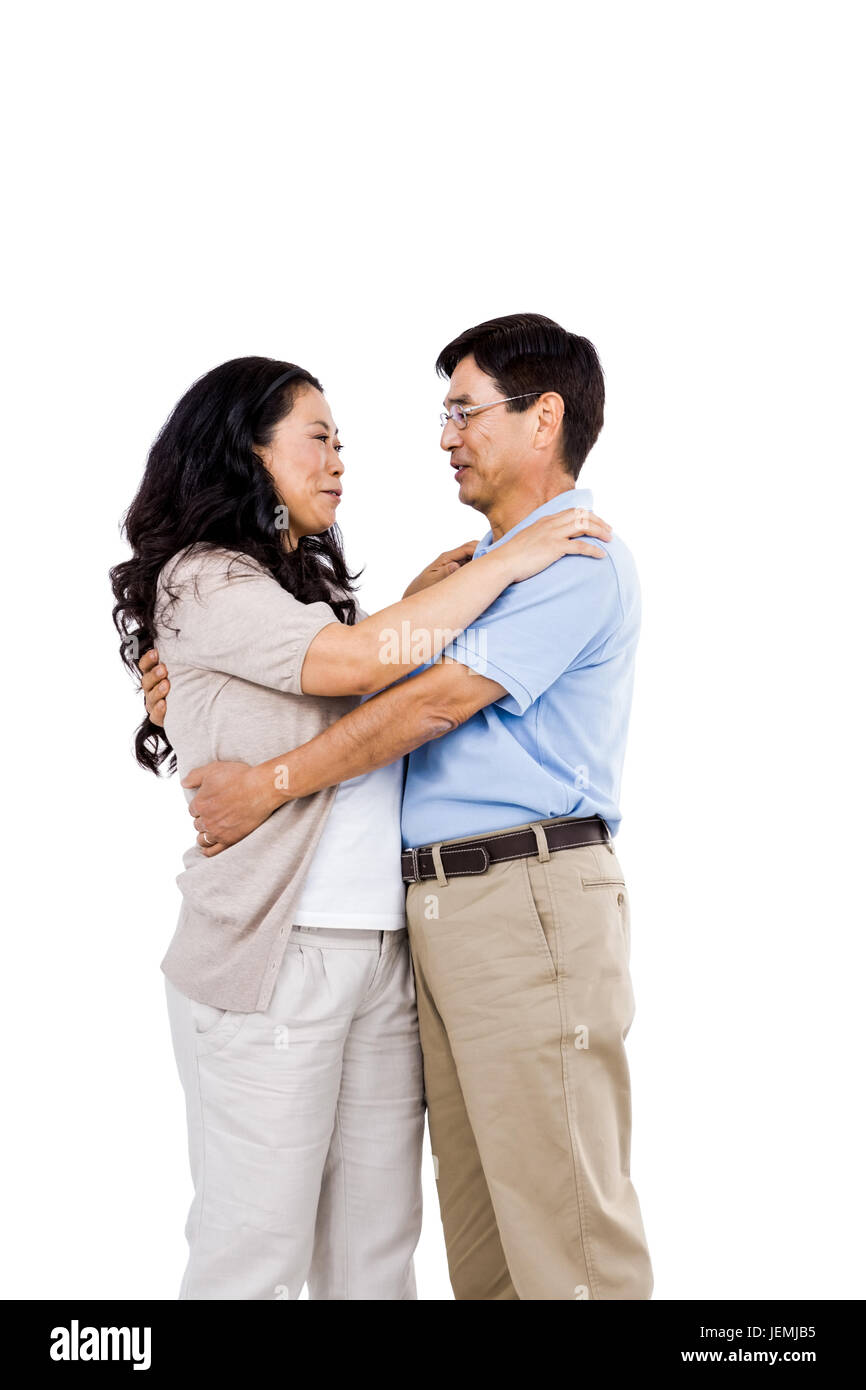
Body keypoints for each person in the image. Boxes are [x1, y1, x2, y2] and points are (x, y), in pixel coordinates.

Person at [111, 352, 612, 1301]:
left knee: (376, 1259)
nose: (340, 459)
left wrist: (409, 601)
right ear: (245, 454)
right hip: (274, 953)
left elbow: (361, 665)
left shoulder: (300, 585)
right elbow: (359, 666)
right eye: (317, 438)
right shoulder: (203, 579)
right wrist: (507, 560)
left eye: (343, 442)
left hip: (382, 952)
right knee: (254, 1254)